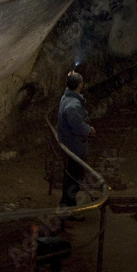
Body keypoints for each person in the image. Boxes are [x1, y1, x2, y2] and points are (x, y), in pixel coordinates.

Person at [57, 71, 95, 209]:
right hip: (74, 146)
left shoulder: (66, 97)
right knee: (74, 178)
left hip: (68, 143)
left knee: (71, 177)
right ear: (80, 85)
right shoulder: (73, 105)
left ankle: (67, 205)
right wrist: (89, 129)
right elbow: (77, 125)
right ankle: (68, 207)